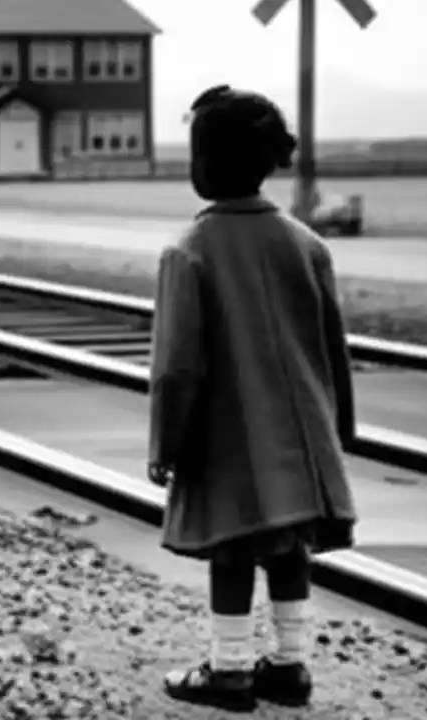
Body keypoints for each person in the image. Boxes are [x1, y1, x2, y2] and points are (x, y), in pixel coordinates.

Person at [147, 84, 359, 713]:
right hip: (302, 436)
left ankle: (230, 669)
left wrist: (167, 443)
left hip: (229, 437)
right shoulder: (306, 244)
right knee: (290, 551)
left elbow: (175, 370)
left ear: (205, 163)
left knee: (232, 552)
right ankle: (290, 667)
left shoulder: (189, 251)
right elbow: (332, 348)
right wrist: (338, 432)